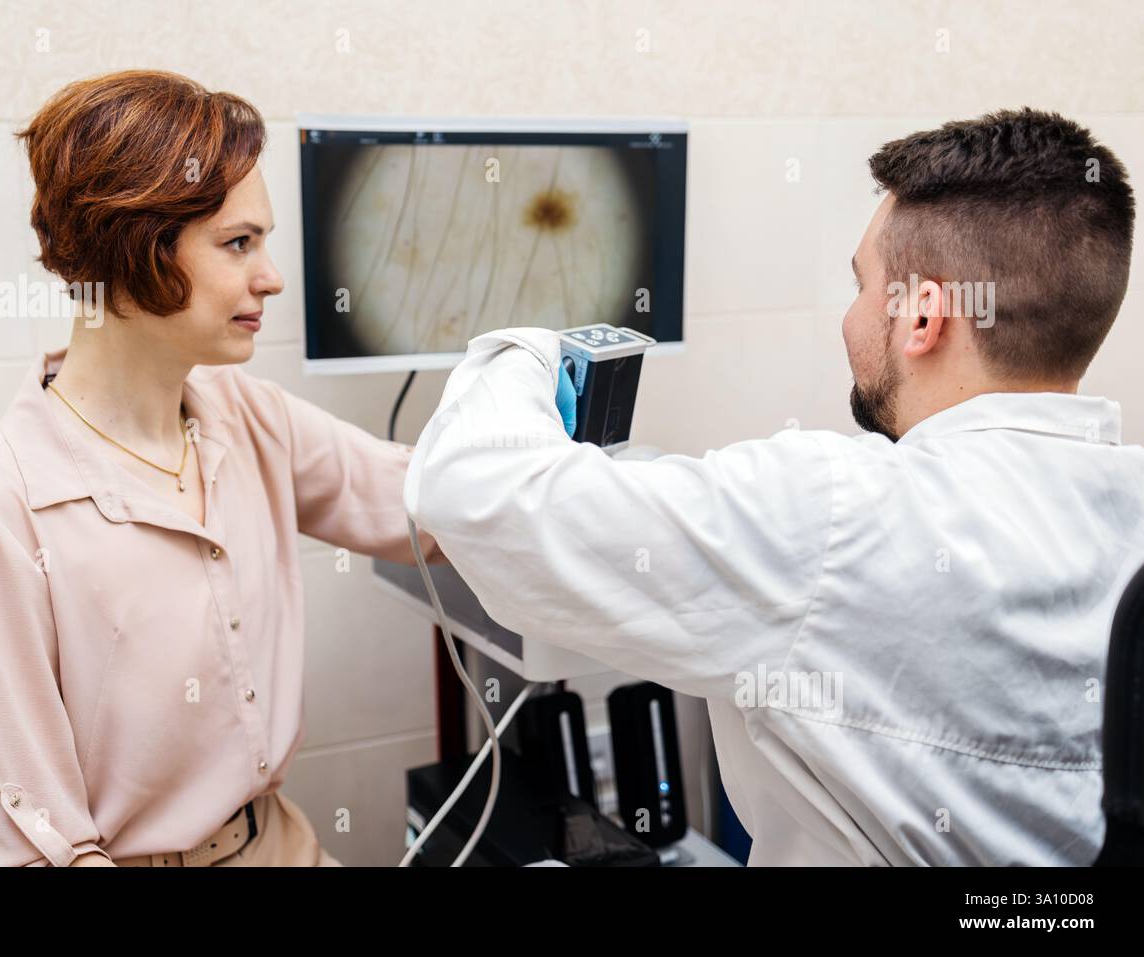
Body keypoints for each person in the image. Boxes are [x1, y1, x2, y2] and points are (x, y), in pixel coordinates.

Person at [404, 108, 1143, 865]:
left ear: (922, 314)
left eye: (863, 285)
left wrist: (528, 350)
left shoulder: (837, 513)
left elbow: (475, 491)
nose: (852, 316)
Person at [0, 69, 443, 867]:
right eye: (239, 244)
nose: (270, 276)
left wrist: (531, 401)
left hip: (281, 842)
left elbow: (426, 506)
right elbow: (30, 850)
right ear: (133, 248)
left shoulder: (244, 413)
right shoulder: (0, 506)